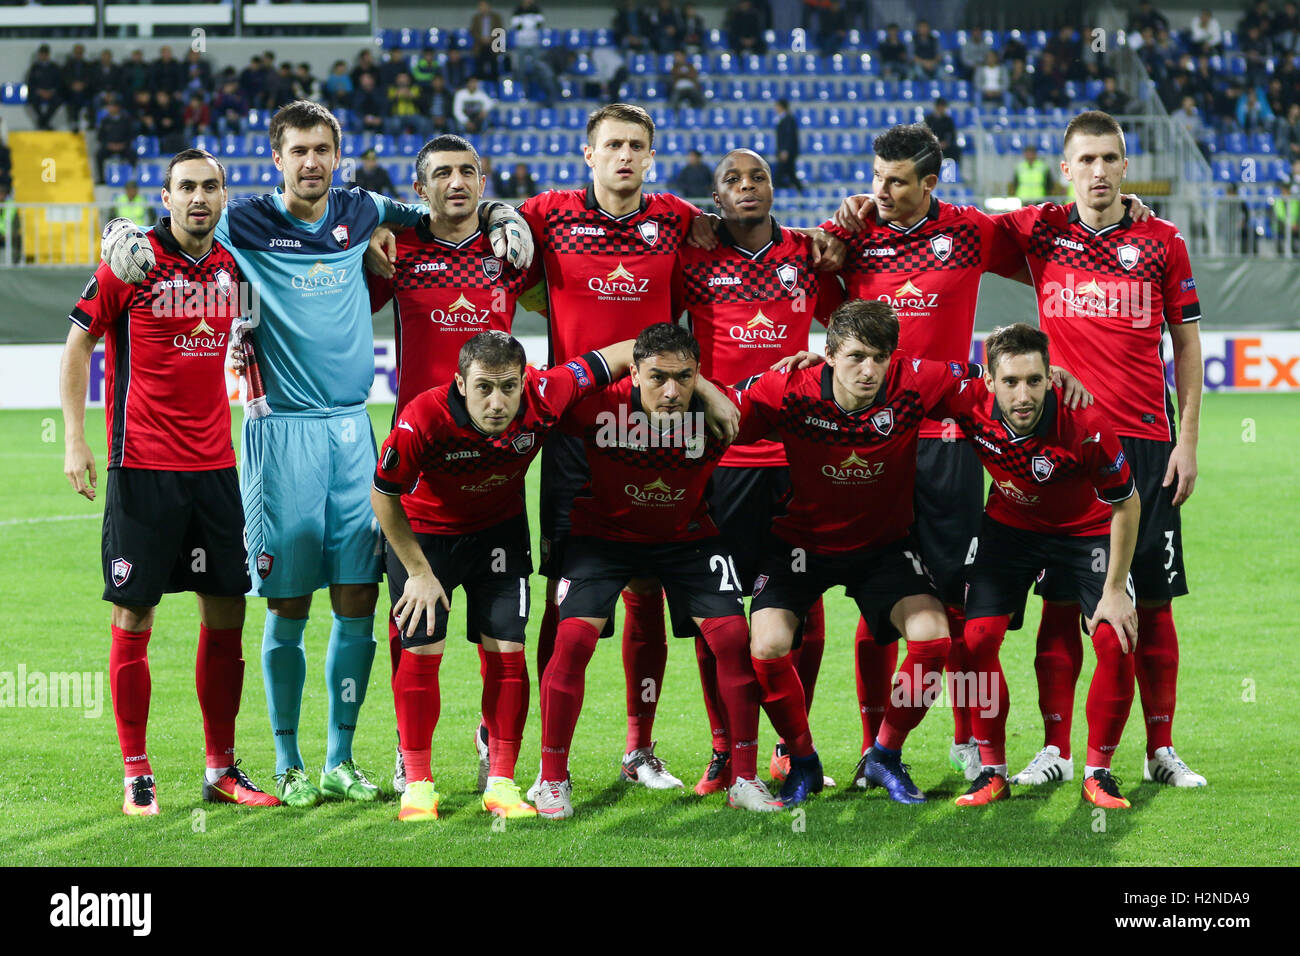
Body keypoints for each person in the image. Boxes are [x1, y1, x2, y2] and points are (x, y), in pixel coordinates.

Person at [101, 100, 533, 808]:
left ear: (339, 154)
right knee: (288, 604)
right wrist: (118, 229)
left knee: (358, 599)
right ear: (276, 158)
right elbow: (175, 224)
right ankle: (287, 762)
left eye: (322, 150)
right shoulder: (242, 218)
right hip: (281, 432)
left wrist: (500, 215)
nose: (311, 163)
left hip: (353, 430)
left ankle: (341, 758)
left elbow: (441, 210)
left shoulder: (362, 209)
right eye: (297, 150)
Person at [992, 110, 1207, 789]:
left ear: (1125, 164)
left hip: (1146, 444)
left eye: (1111, 158)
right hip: (1069, 450)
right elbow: (951, 227)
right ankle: (1057, 750)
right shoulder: (1041, 232)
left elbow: (1187, 342)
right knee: (1062, 600)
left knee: (1154, 600)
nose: (1099, 171)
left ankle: (1160, 751)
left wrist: (1188, 442)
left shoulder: (1162, 240)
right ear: (1065, 171)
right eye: (1085, 160)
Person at [61, 149, 280, 815]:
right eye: (186, 187)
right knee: (135, 613)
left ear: (223, 195)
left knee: (228, 611)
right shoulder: (131, 262)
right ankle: (137, 773)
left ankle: (220, 768)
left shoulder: (229, 267)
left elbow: (248, 339)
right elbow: (78, 344)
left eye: (211, 187)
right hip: (143, 466)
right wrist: (75, 438)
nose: (199, 198)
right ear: (166, 195)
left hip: (214, 469)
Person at [373, 332, 633, 821]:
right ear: (460, 383)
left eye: (508, 388)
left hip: (499, 533)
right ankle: (418, 782)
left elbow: (627, 353)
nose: (497, 403)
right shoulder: (421, 419)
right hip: (425, 540)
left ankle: (502, 782)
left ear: (524, 380)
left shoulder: (545, 392)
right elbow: (383, 495)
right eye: (484, 388)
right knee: (422, 648)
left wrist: (701, 387)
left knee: (508, 653)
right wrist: (418, 572)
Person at [733, 300, 978, 805]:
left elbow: (986, 380)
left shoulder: (914, 380)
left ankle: (884, 756)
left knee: (933, 639)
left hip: (882, 547)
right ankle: (801, 760)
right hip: (800, 545)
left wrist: (1052, 374)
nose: (869, 370)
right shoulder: (787, 388)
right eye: (856, 357)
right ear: (827, 355)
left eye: (880, 357)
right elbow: (720, 416)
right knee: (767, 644)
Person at [534, 323, 777, 818]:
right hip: (603, 538)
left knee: (732, 638)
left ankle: (746, 779)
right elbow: (541, 388)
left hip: (686, 537)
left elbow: (790, 399)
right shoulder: (596, 404)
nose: (671, 392)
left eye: (684, 378)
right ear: (634, 373)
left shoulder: (722, 411)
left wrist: (816, 367)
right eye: (657, 378)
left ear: (699, 377)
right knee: (574, 639)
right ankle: (551, 779)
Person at [676, 148, 841, 794]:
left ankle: (789, 743)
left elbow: (858, 321)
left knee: (804, 602)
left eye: (758, 177)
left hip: (800, 459)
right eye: (732, 181)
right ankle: (723, 748)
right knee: (714, 609)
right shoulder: (695, 260)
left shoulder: (809, 254)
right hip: (721, 459)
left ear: (775, 187)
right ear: (716, 198)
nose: (747, 188)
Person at [940, 323, 1140, 810]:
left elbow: (1127, 504)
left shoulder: (1084, 421)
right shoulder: (964, 398)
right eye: (1010, 382)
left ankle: (1099, 772)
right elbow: (895, 374)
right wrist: (824, 362)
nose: (1023, 394)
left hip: (1085, 532)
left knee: (1115, 637)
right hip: (1009, 530)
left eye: (1034, 380)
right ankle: (992, 770)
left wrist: (1114, 589)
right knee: (977, 638)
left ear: (1051, 377)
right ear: (988, 382)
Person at [96, 95, 137, 185]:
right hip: (109, 147)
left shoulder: (126, 120)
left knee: (132, 154)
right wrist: (108, 145)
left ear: (118, 107)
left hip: (123, 147)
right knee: (99, 155)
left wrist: (123, 144)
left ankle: (133, 178)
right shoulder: (104, 120)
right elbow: (100, 137)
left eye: (113, 106)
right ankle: (101, 179)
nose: (110, 108)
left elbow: (131, 135)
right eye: (109, 106)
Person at [774, 99, 804, 193]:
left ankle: (798, 190)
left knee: (778, 177)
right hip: (786, 152)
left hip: (787, 152)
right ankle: (800, 190)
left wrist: (784, 150)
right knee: (791, 175)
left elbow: (788, 136)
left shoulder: (788, 120)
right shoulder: (784, 119)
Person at [924, 97, 960, 168]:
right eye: (939, 106)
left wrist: (946, 143)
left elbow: (952, 135)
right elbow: (926, 134)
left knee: (956, 150)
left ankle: (955, 172)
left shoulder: (948, 120)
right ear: (936, 107)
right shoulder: (929, 119)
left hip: (945, 145)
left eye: (943, 106)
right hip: (932, 145)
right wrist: (935, 143)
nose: (941, 108)